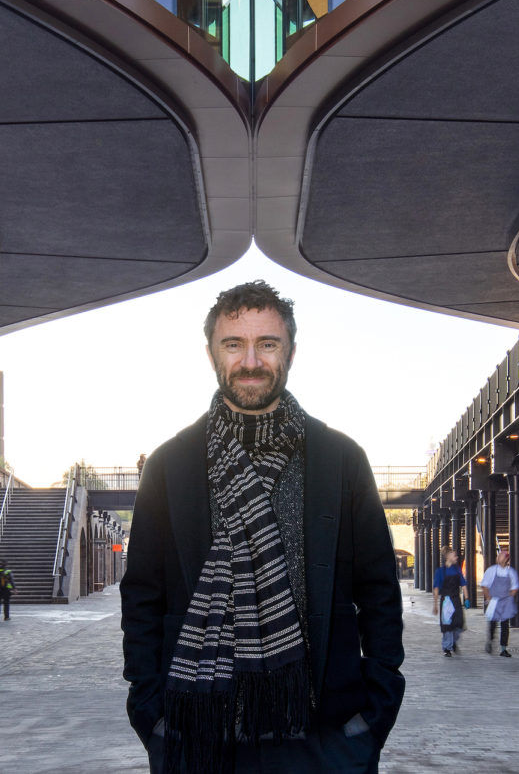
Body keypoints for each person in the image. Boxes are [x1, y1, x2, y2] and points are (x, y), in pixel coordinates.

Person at [121, 281, 405, 774]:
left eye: (267, 344)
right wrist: (152, 717)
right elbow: (143, 599)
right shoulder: (170, 464)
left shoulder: (341, 458)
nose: (250, 361)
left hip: (323, 737)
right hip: (199, 734)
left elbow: (379, 592)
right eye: (234, 344)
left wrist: (370, 721)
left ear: (290, 352)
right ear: (212, 353)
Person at [481, 548, 519, 657]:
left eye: (501, 556)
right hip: (494, 600)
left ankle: (503, 648)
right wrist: (488, 597)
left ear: (507, 559)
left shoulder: (511, 572)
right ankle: (490, 640)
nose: (499, 557)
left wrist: (509, 596)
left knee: (505, 625)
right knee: (492, 623)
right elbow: (484, 585)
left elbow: (515, 586)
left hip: (505, 602)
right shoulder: (491, 570)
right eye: (499, 556)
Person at [432, 547, 469, 656]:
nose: (457, 557)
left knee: (459, 624)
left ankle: (453, 642)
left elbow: (463, 584)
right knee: (447, 625)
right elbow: (436, 589)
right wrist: (435, 605)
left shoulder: (457, 569)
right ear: (448, 557)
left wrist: (467, 598)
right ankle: (447, 648)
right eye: (454, 555)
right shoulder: (440, 571)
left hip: (456, 599)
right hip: (446, 600)